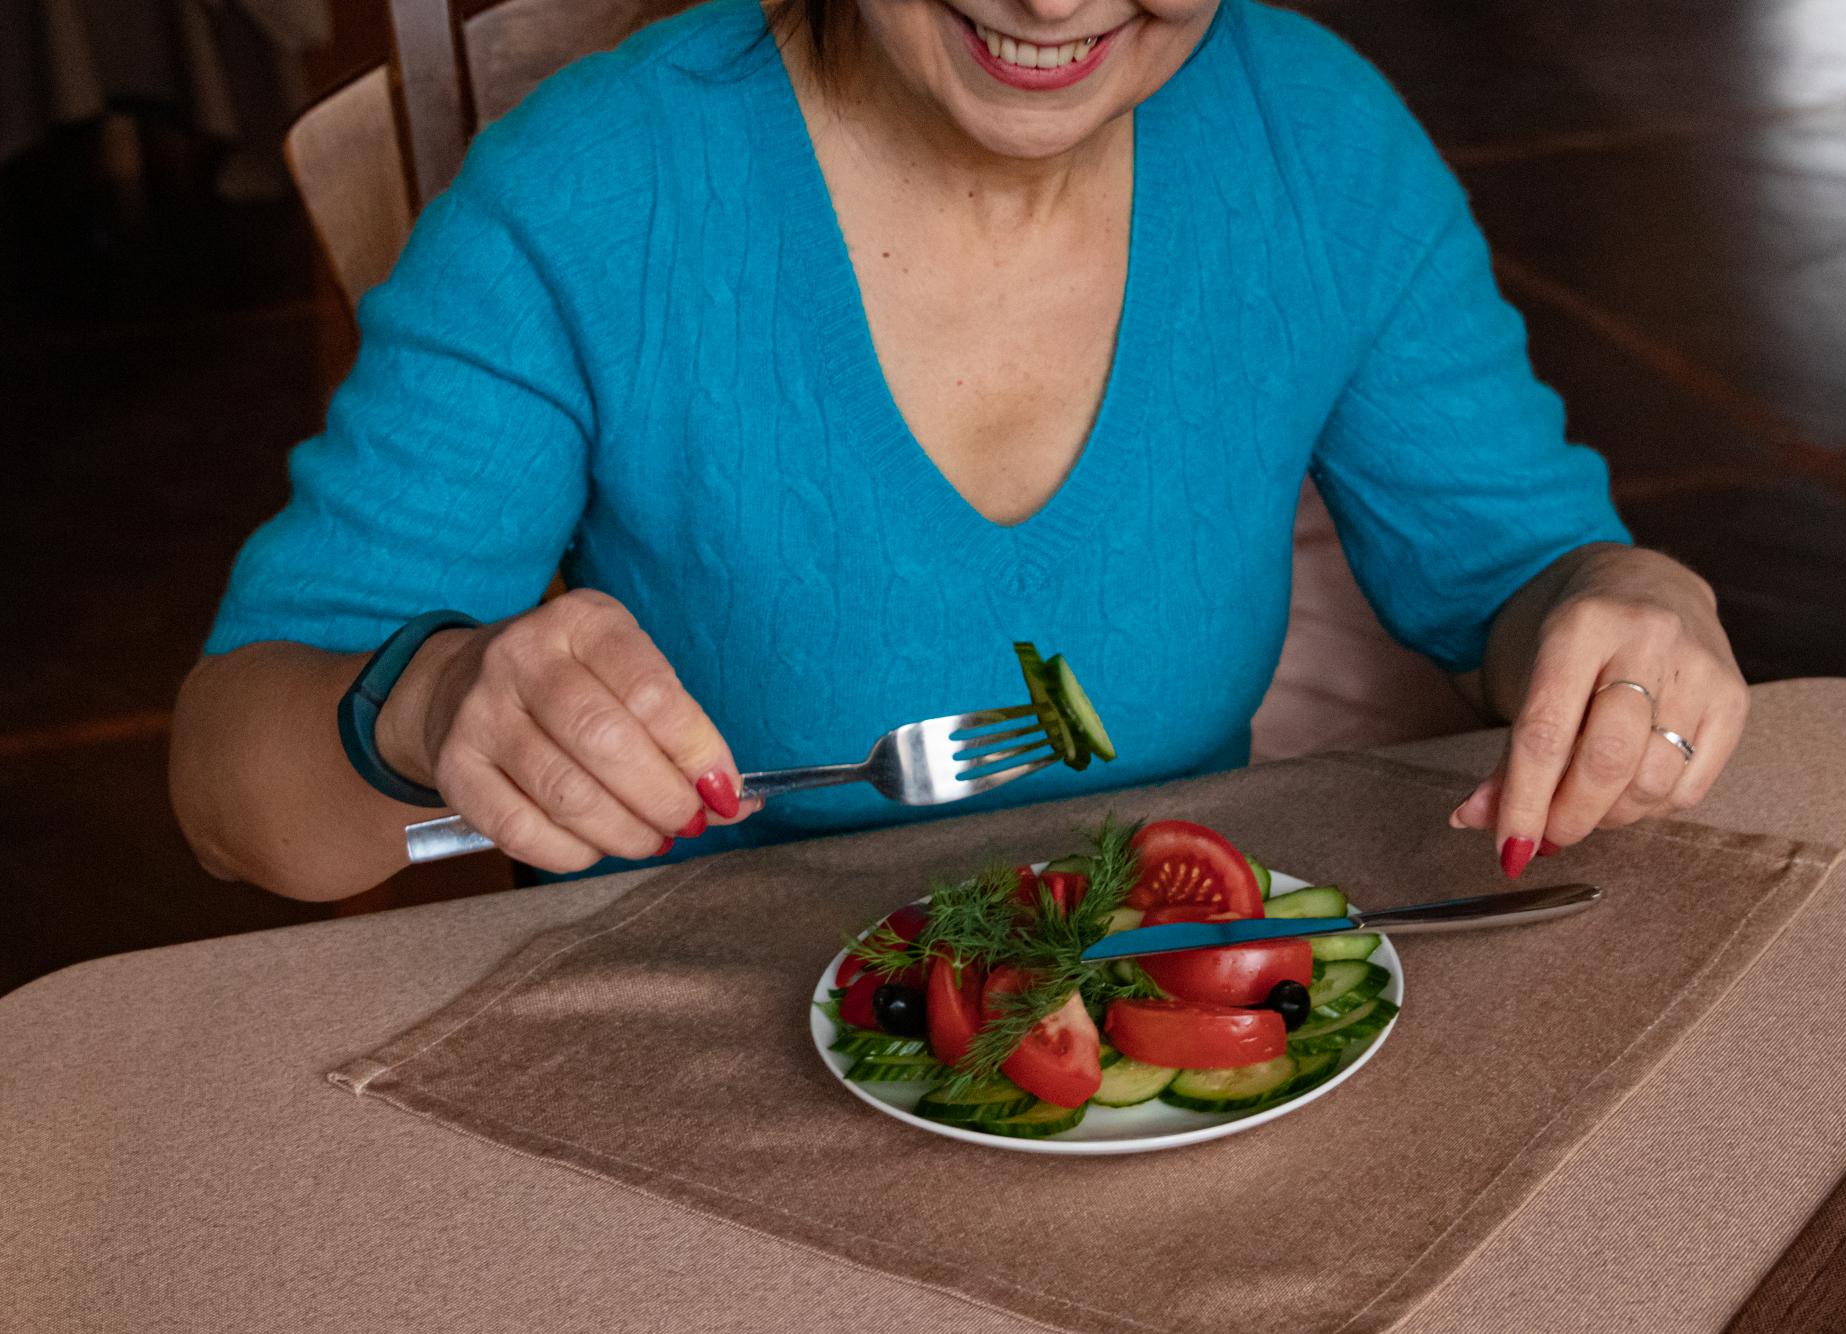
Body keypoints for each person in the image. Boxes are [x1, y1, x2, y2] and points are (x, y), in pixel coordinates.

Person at [169, 0, 1747, 902]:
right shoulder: (595, 190)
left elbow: (1527, 574)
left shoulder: (1314, 140)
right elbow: (236, 797)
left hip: (1159, 1056)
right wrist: (429, 698)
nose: (1054, 4)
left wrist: (1635, 605)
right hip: (666, 1109)